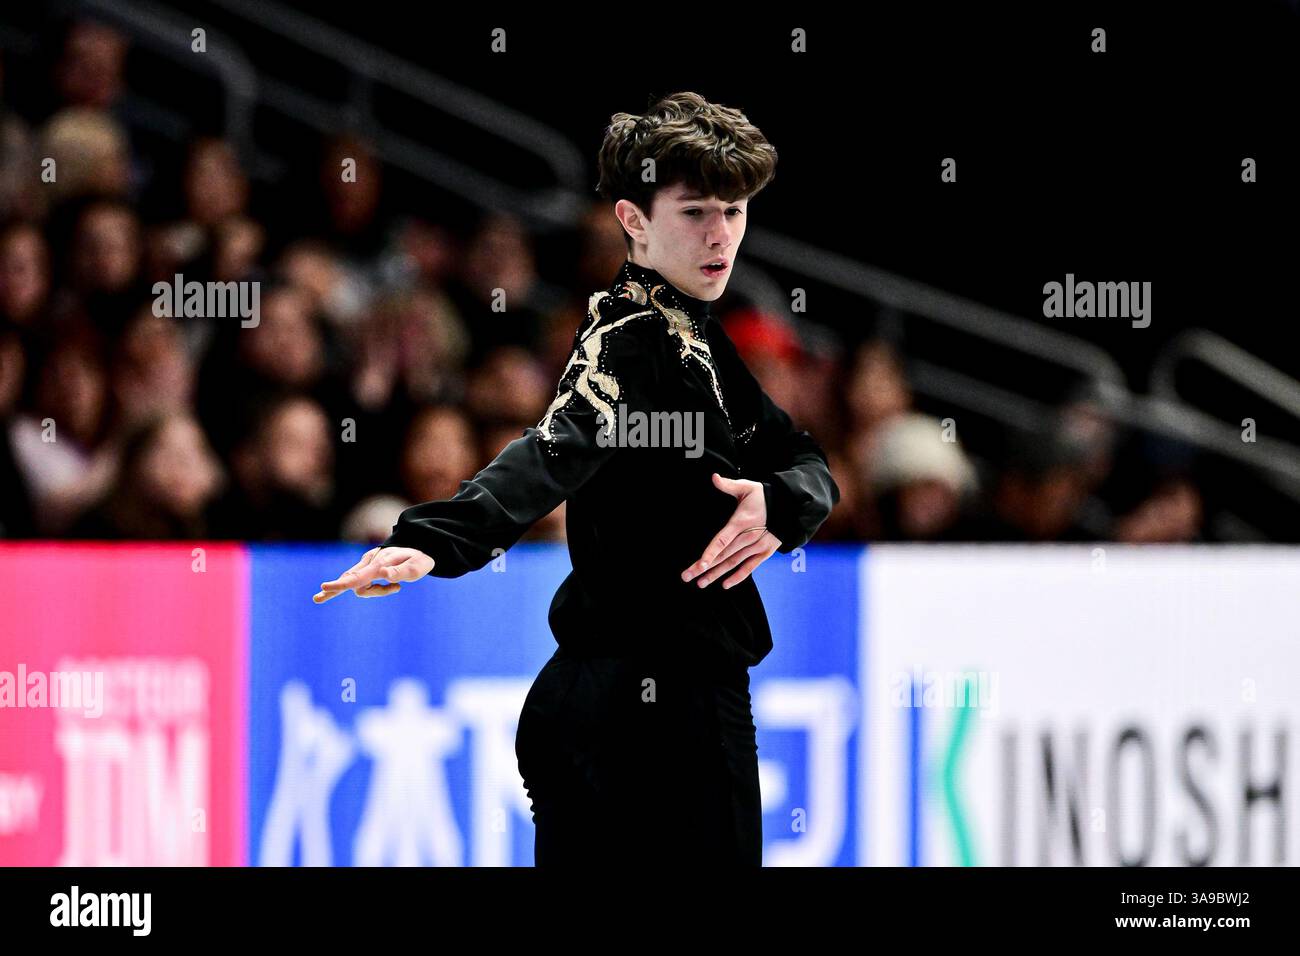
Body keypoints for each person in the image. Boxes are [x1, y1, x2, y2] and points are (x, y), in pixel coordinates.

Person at [314, 92, 840, 865]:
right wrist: (434, 540)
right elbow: (556, 444)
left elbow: (806, 462)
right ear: (633, 220)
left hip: (617, 698)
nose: (721, 234)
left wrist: (778, 505)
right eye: (695, 211)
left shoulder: (698, 340)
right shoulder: (630, 341)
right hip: (657, 711)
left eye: (733, 210)